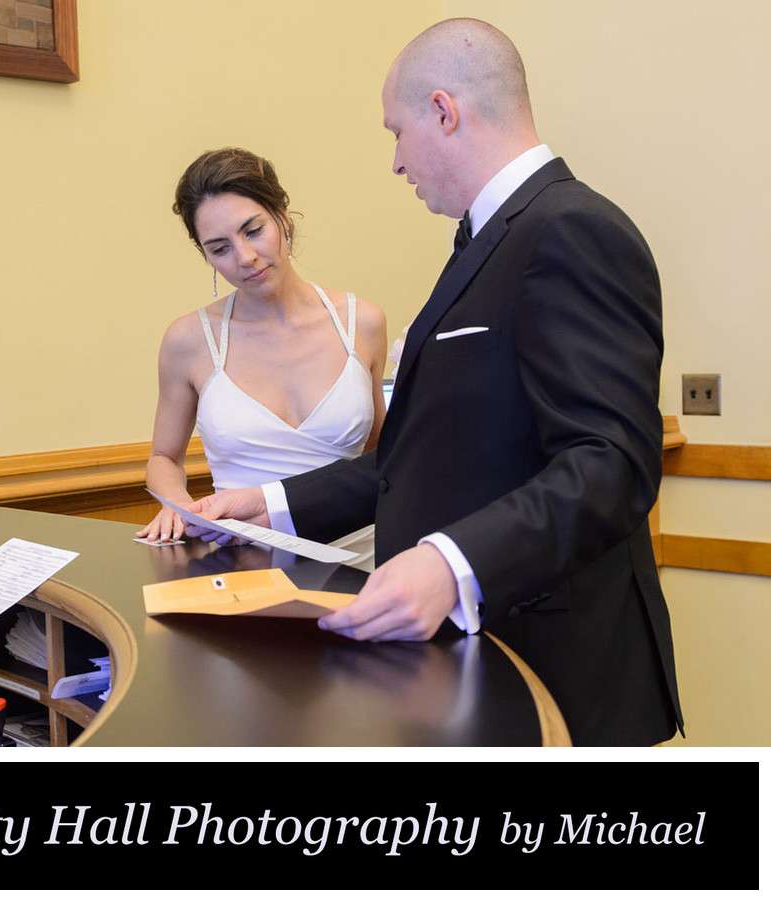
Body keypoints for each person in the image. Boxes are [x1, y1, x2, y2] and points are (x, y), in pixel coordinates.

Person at [189, 19, 682, 746]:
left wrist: (453, 565)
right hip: (481, 665)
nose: (396, 161)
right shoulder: (486, 241)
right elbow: (424, 457)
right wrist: (272, 503)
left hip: (564, 671)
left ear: (444, 112)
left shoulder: (571, 229)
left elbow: (610, 463)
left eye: (397, 132)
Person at [137, 147, 388, 570]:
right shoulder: (189, 340)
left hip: (360, 560)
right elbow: (163, 457)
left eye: (253, 231)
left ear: (282, 217)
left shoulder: (362, 322)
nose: (244, 258)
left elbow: (381, 448)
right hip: (243, 562)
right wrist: (179, 506)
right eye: (219, 249)